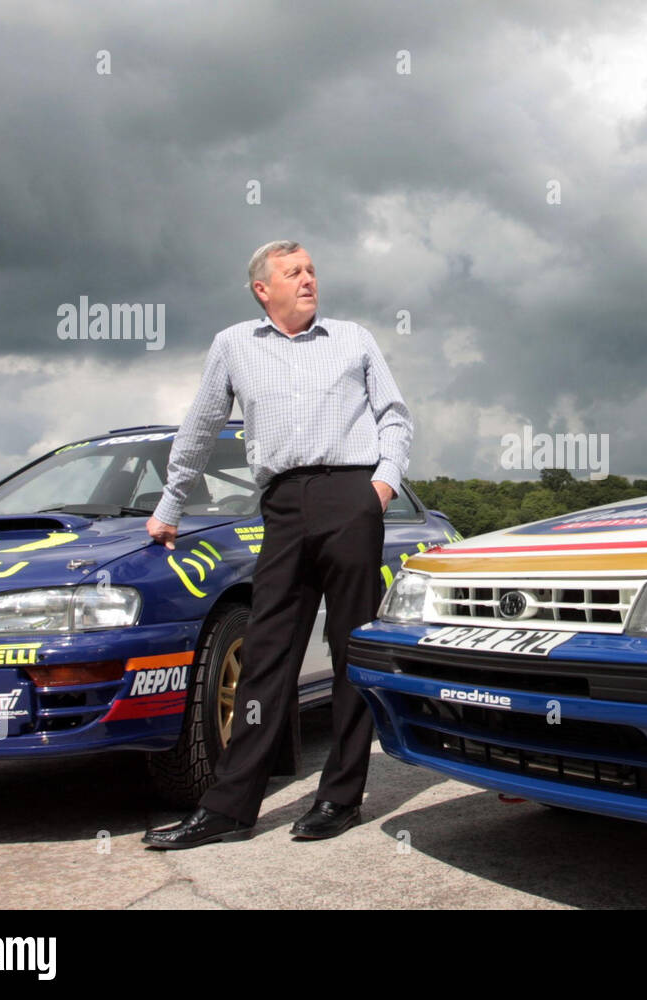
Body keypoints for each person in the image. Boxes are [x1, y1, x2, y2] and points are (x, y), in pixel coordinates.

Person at [141, 240, 412, 849]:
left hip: (352, 496)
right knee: (266, 655)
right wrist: (170, 504)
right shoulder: (234, 345)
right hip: (283, 507)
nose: (309, 279)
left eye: (313, 269)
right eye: (294, 273)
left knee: (353, 653)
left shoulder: (353, 338)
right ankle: (229, 809)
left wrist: (381, 487)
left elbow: (394, 415)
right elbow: (202, 425)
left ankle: (340, 797)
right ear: (264, 289)